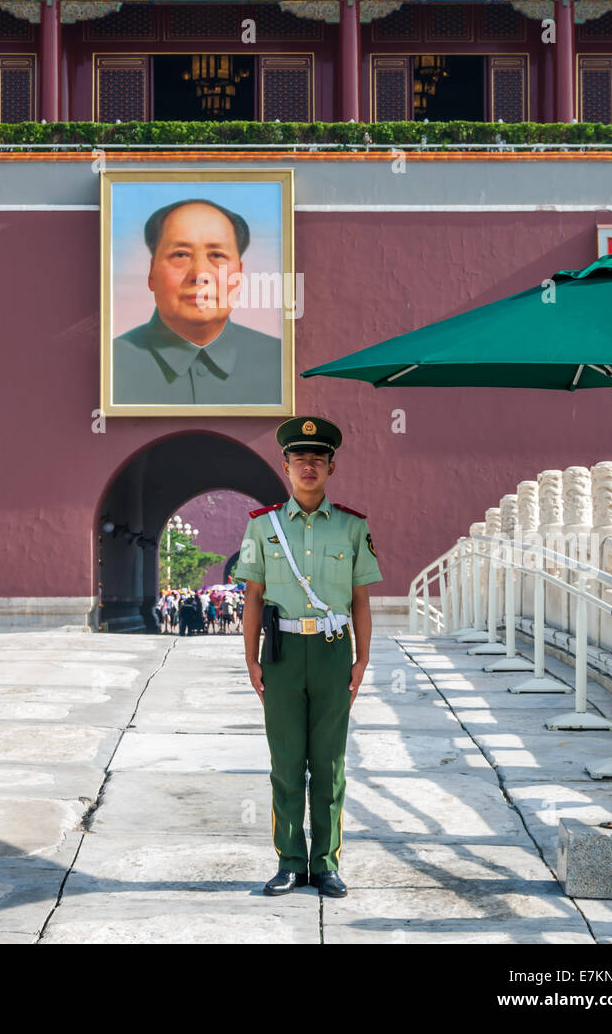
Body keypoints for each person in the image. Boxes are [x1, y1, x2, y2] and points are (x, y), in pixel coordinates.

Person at [241, 416, 382, 899]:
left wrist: (361, 660)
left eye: (317, 459)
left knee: (329, 763)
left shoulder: (351, 526)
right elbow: (254, 596)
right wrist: (251, 660)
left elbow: (360, 599)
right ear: (285, 465)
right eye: (299, 459)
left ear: (331, 467)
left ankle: (325, 864)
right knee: (285, 762)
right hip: (280, 653)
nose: (308, 466)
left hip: (330, 651)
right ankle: (289, 861)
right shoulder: (262, 526)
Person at [112, 199, 281, 405]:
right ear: (151, 273)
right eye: (181, 254)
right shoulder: (110, 363)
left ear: (239, 275)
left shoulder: (281, 362)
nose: (200, 274)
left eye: (217, 255)